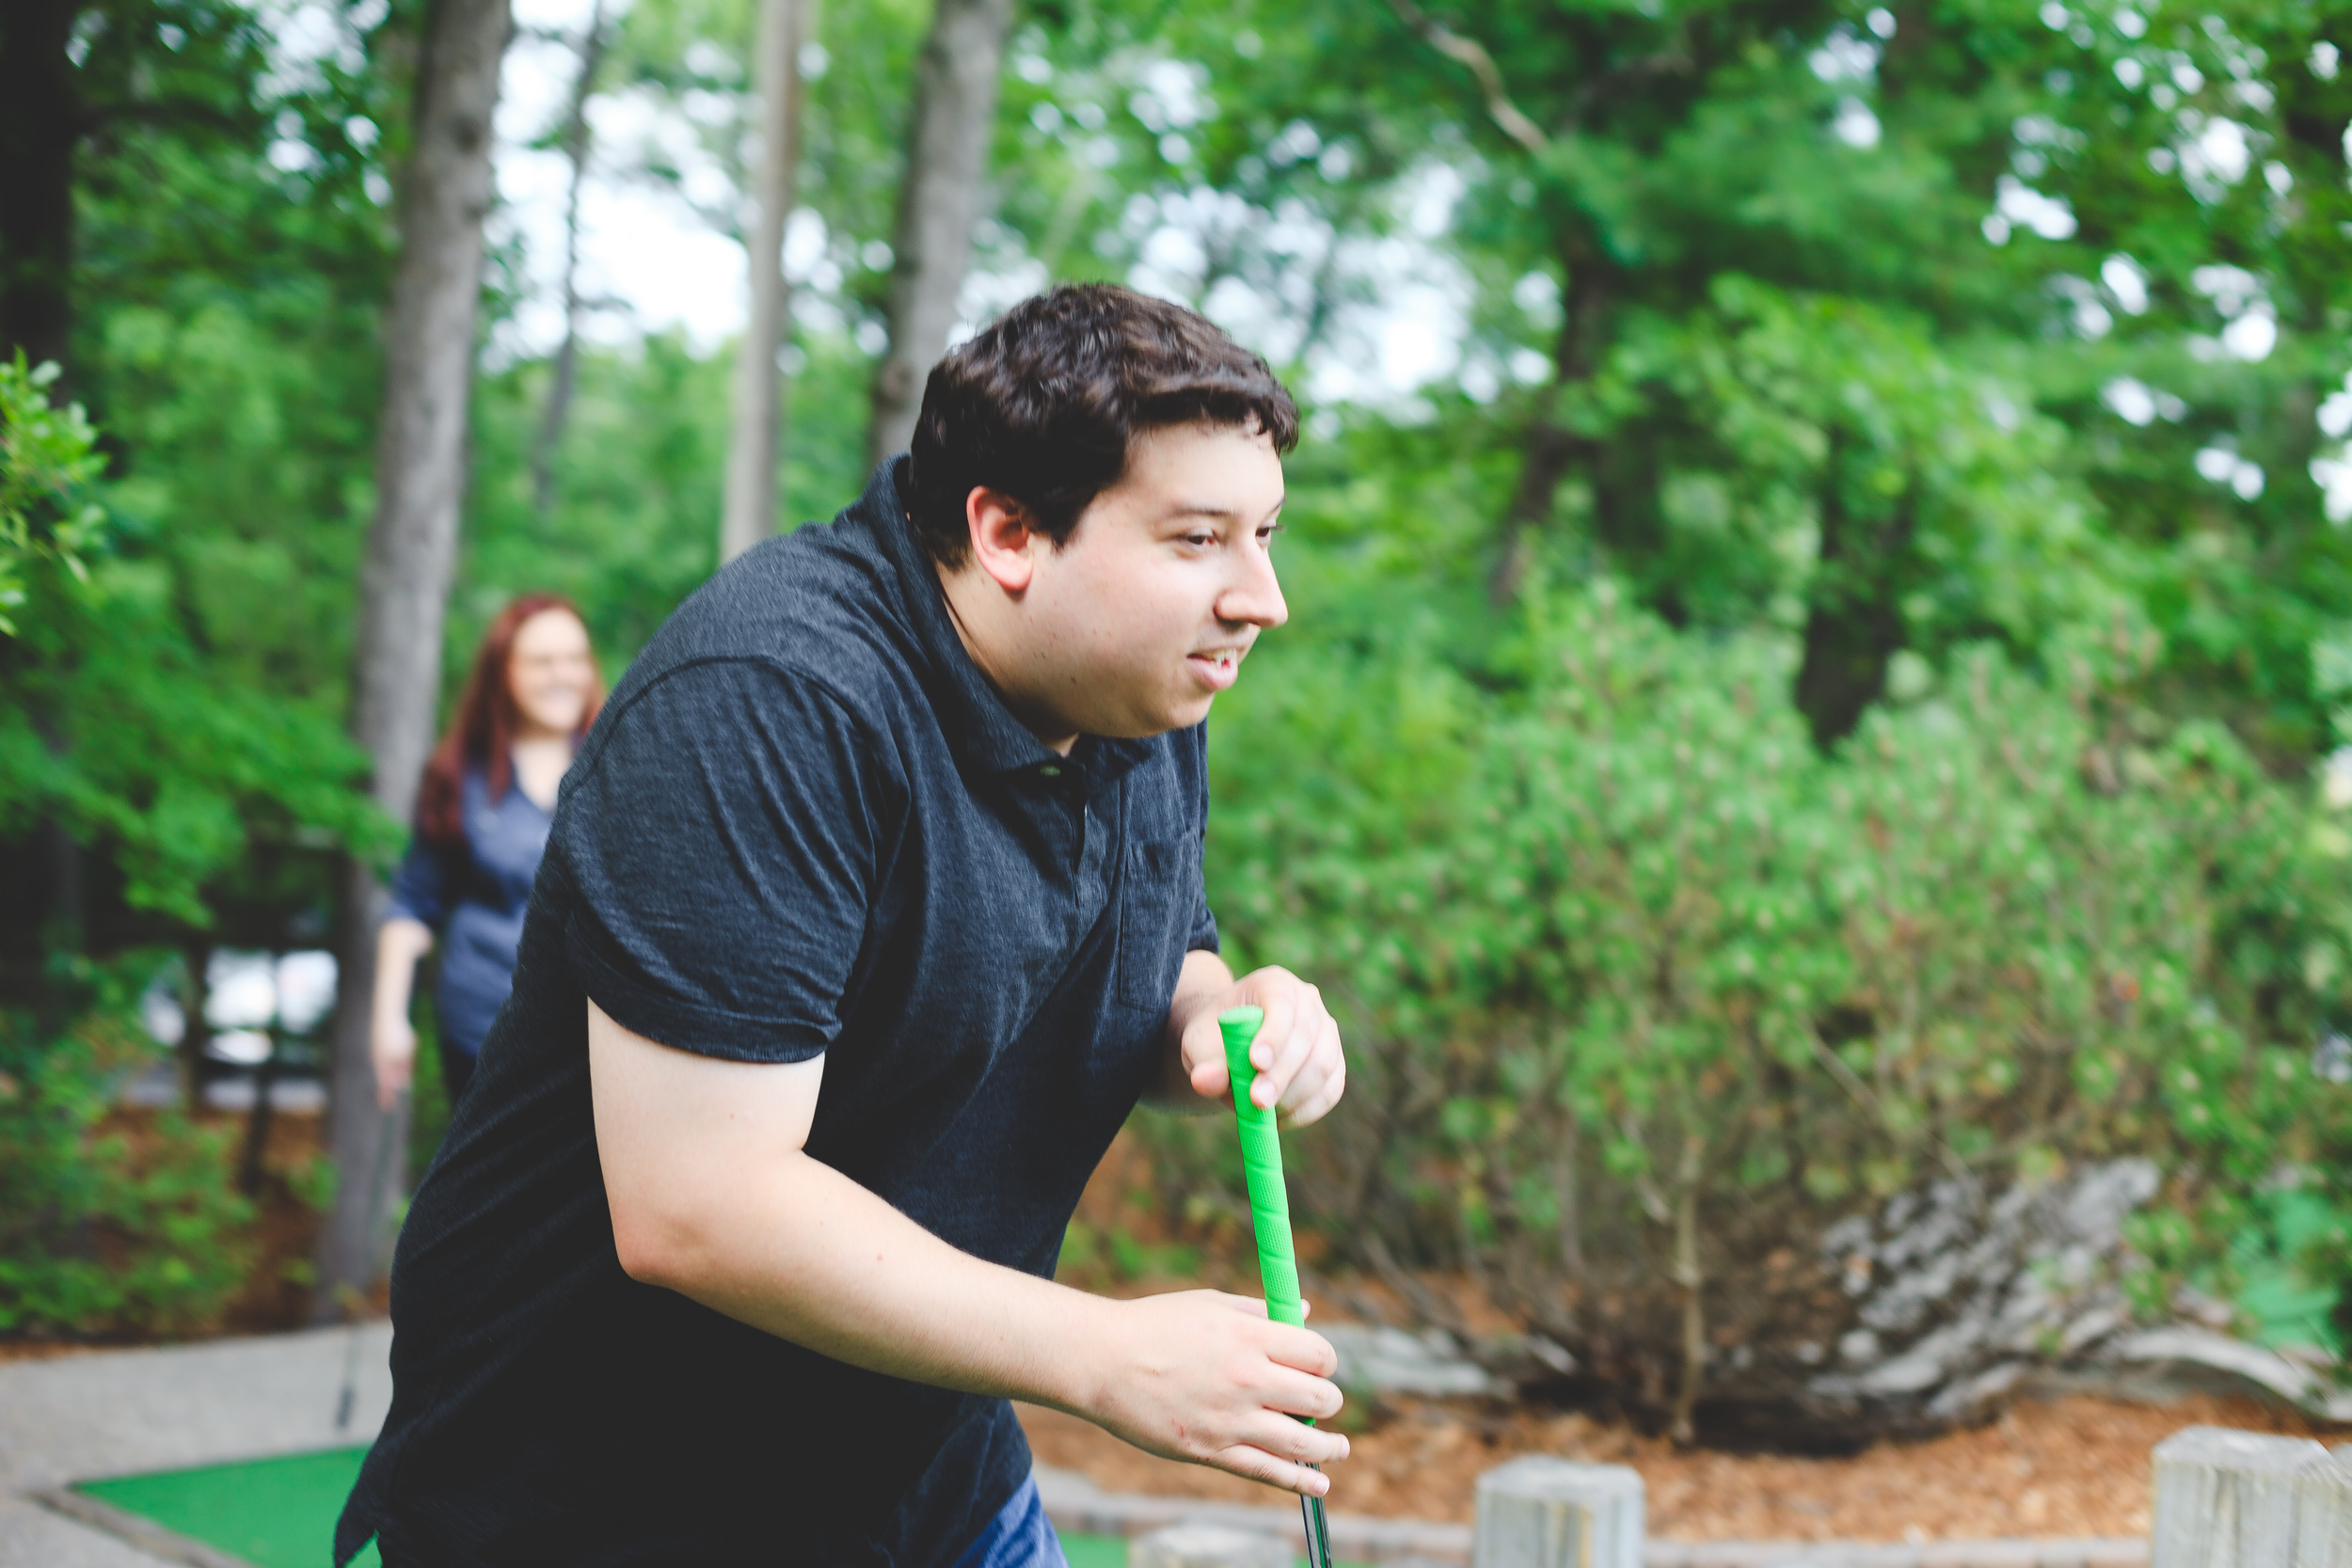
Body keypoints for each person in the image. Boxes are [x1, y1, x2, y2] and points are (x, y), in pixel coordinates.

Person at [335, 285, 1350, 1568]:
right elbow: (698, 1202)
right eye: (1199, 538)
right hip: (612, 1506)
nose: (1263, 596)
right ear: (1008, 531)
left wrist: (1219, 1010)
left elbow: (1163, 942)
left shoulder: (1136, 694)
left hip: (935, 1481)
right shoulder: (770, 699)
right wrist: (1104, 1351)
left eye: (1263, 533)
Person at [371, 594, 603, 1109]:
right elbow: (412, 902)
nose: (562, 674)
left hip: (594, 1040)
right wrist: (389, 1019)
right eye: (542, 662)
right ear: (504, 673)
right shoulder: (461, 777)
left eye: (575, 659)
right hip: (480, 1029)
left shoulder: (621, 768)